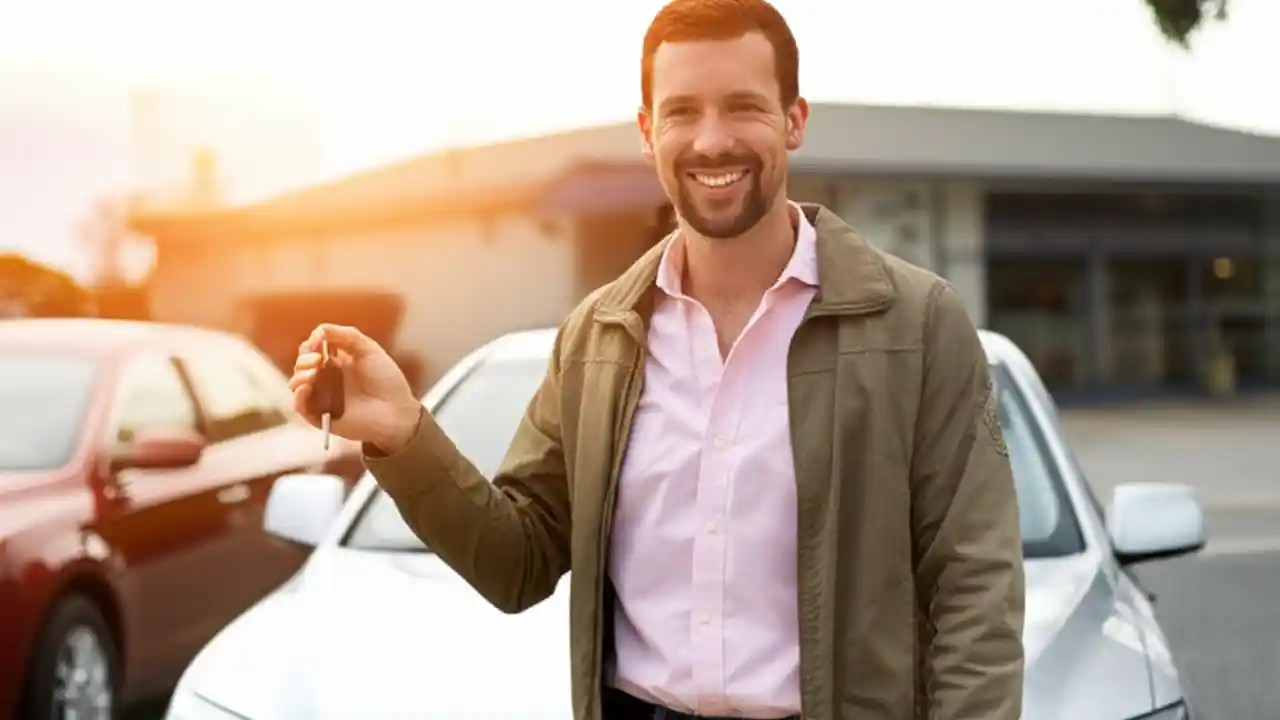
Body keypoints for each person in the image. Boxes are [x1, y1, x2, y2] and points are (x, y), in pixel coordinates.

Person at [290, 0, 1024, 717]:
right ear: (647, 132)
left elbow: (975, 590)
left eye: (743, 106)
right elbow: (517, 565)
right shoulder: (596, 338)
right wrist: (400, 433)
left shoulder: (917, 323)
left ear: (793, 120)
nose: (711, 141)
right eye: (681, 112)